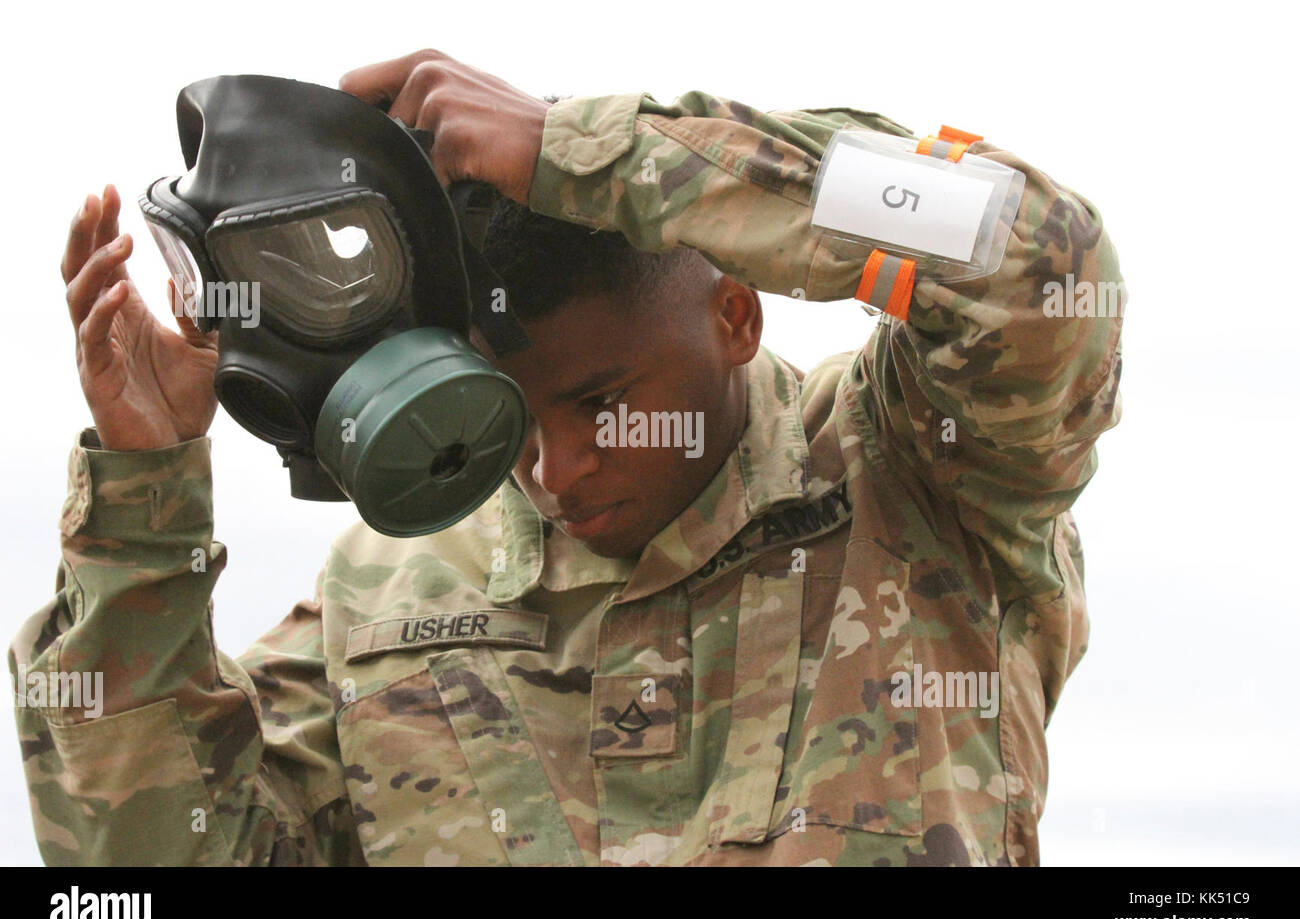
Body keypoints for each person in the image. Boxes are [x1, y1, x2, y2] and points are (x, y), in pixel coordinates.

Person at [11, 49, 1123, 866]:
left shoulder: (916, 471)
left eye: (603, 403)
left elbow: (1031, 261)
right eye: (511, 418)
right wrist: (142, 497)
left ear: (734, 318)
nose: (553, 470)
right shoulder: (391, 596)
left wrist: (594, 151)